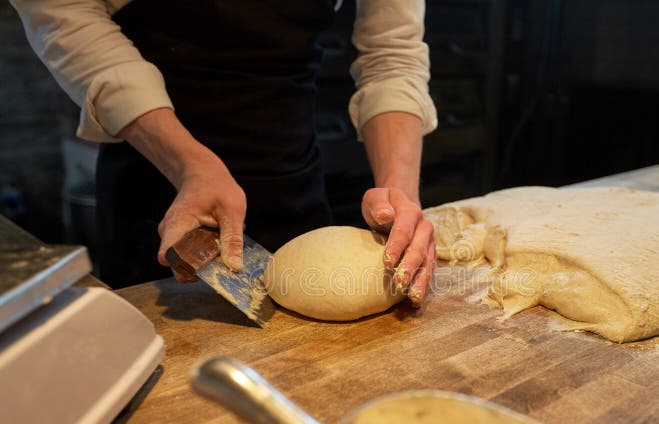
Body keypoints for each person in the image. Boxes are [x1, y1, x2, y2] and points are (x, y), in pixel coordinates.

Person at [11, 0, 438, 306]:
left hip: (292, 176)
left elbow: (392, 54)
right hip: (158, 186)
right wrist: (189, 165)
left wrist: (399, 197)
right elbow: (65, 15)